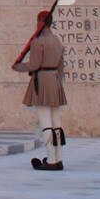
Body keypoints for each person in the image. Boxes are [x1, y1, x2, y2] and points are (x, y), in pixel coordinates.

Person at [12, 9, 66, 171]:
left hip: (42, 81)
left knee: (45, 123)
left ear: (40, 22)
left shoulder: (38, 41)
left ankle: (50, 160)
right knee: (56, 123)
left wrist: (18, 67)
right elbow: (61, 66)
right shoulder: (57, 40)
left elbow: (34, 65)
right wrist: (56, 81)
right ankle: (58, 158)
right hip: (55, 81)